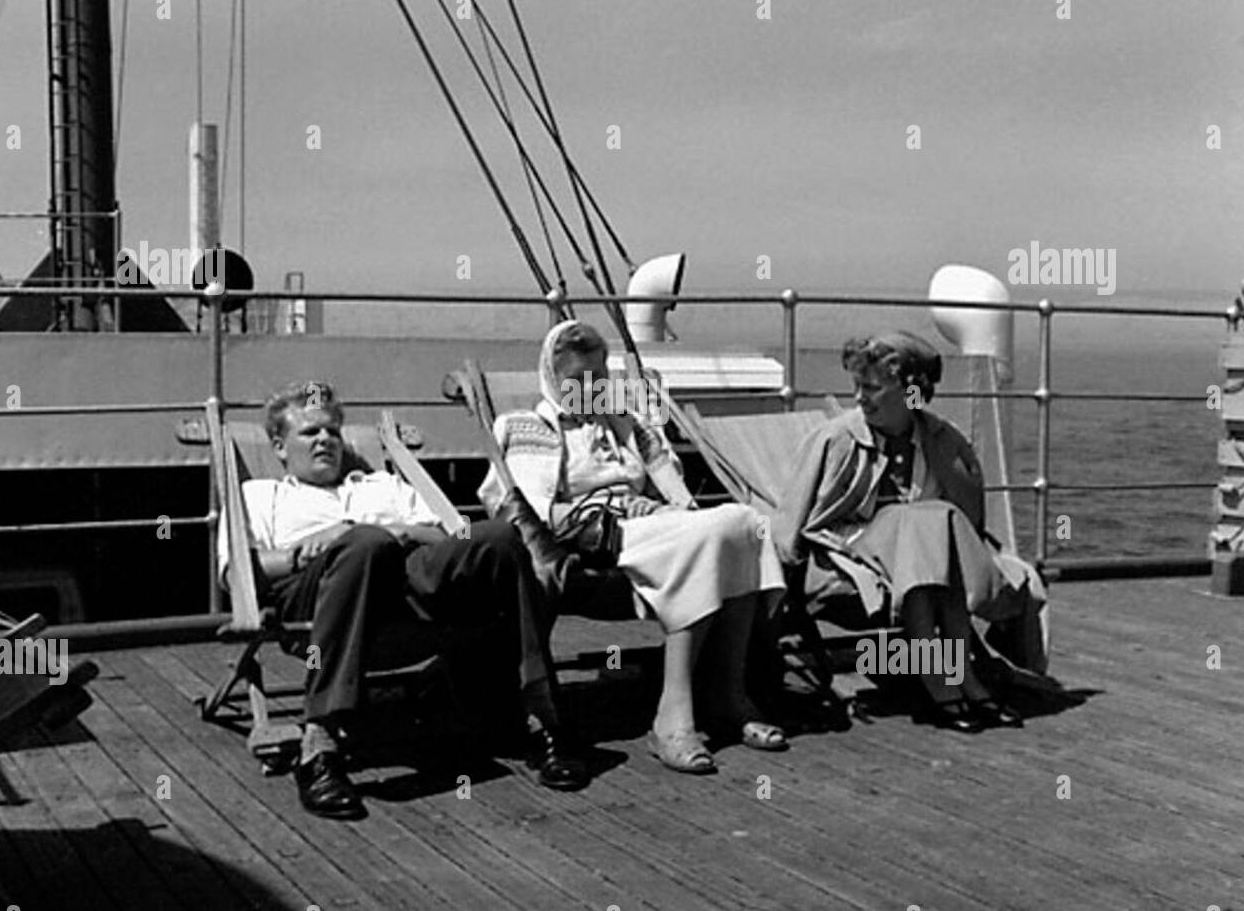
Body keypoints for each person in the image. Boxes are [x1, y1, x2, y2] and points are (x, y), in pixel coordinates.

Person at [218, 381, 589, 819]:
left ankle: (539, 717)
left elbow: (447, 535)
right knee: (364, 543)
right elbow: (235, 573)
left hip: (409, 583)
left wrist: (403, 533)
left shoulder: (384, 484)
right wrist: (314, 546)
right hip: (318, 595)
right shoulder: (261, 496)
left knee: (498, 536)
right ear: (279, 447)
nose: (325, 440)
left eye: (332, 432)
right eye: (310, 432)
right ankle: (320, 745)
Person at [480, 320, 788, 774]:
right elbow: (540, 512)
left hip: (655, 530)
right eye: (575, 380)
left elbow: (674, 487)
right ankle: (673, 717)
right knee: (703, 541)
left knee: (746, 524)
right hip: (600, 539)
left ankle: (729, 691)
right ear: (551, 377)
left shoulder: (627, 423)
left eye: (597, 378)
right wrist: (634, 512)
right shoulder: (528, 427)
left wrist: (665, 510)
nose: (588, 389)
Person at [774, 332, 1047, 733]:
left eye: (871, 388)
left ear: (911, 393)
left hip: (926, 560)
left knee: (930, 528)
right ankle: (949, 682)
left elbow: (968, 516)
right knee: (922, 522)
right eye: (857, 388)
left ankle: (956, 682)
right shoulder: (837, 439)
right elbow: (795, 517)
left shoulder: (941, 439)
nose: (860, 399)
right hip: (849, 551)